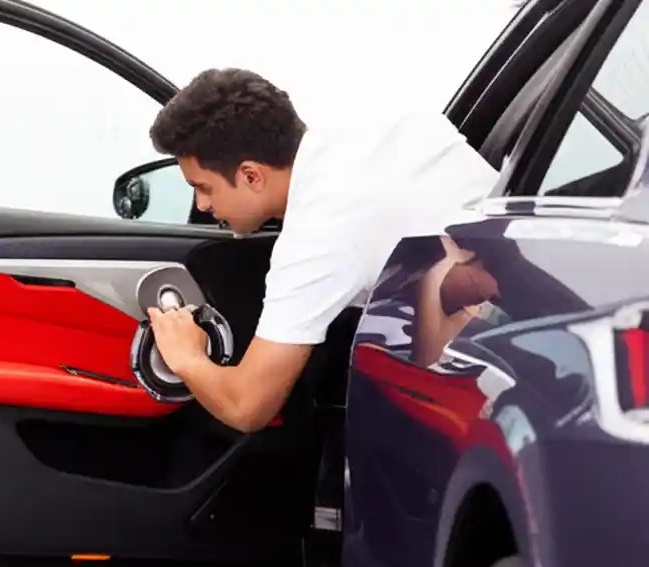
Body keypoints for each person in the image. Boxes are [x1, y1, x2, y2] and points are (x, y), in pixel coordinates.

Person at [144, 68, 500, 431]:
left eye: (203, 187)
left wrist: (186, 356)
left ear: (251, 175)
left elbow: (246, 406)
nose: (202, 205)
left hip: (490, 384)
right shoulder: (381, 122)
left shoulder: (319, 231)